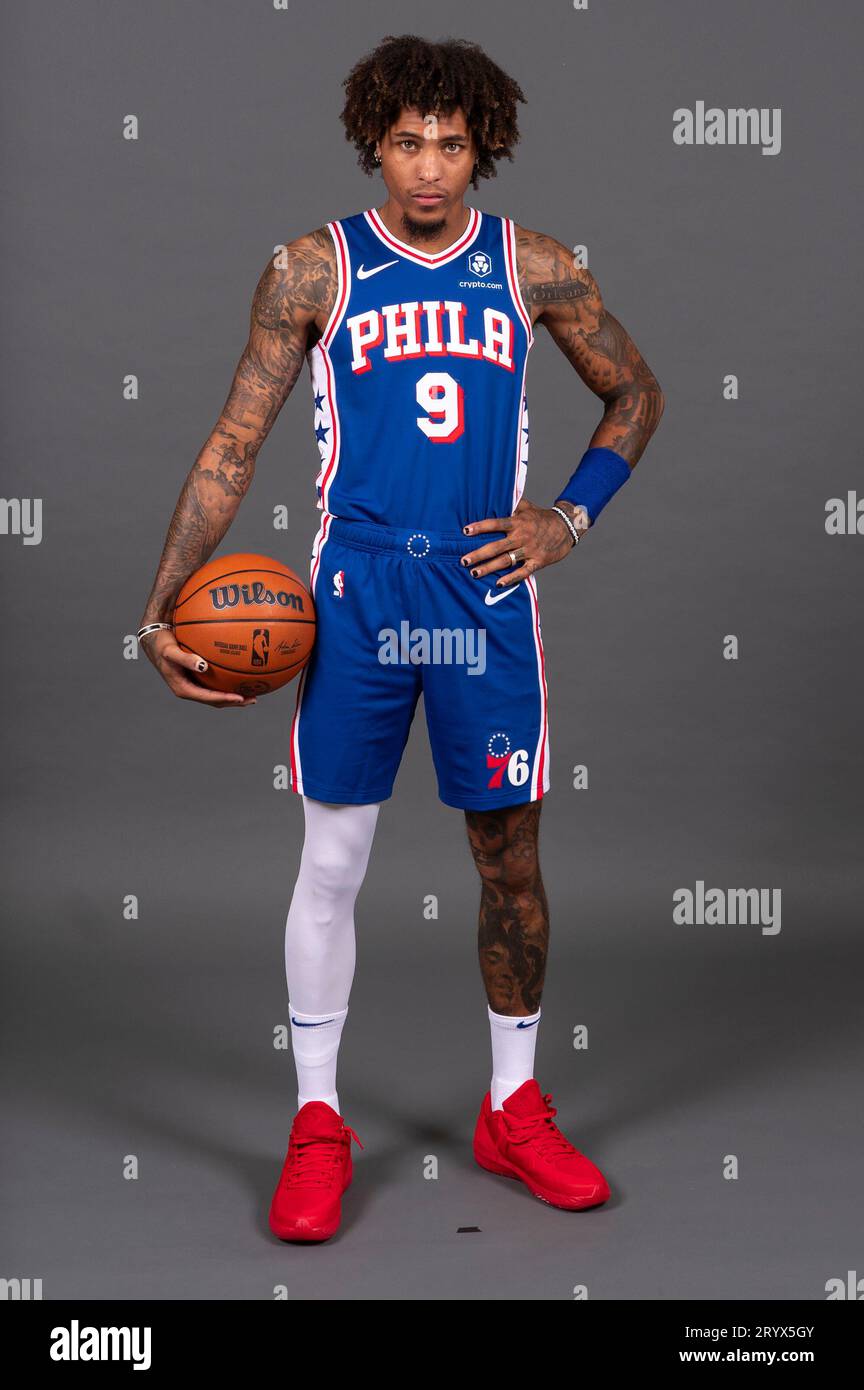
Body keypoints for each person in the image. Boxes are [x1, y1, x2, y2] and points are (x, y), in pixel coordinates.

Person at [137, 33, 664, 1244]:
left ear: (485, 147)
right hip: (358, 599)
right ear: (375, 142)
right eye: (409, 142)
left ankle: (513, 1105)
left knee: (509, 860)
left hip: (484, 592)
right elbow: (232, 444)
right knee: (333, 860)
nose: (430, 168)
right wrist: (160, 603)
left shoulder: (532, 266)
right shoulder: (309, 272)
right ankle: (317, 1122)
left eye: (453, 143)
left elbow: (637, 393)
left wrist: (569, 516)